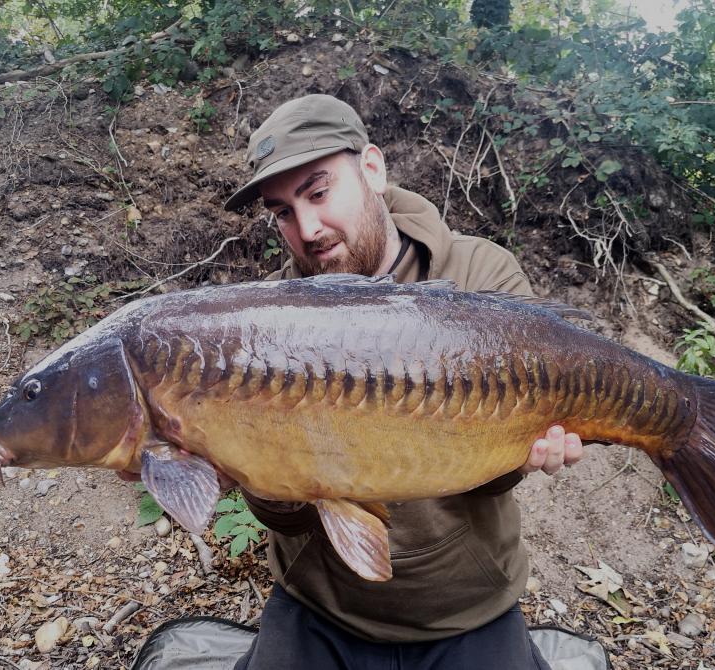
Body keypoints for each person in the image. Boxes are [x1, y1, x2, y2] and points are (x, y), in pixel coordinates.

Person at [220, 94, 585, 669]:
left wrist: (523, 448)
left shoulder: (477, 277)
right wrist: (254, 466)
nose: (307, 227)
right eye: (282, 212)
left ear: (371, 169)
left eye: (318, 193)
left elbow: (490, 483)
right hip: (320, 604)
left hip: (464, 605)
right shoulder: (260, 325)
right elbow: (280, 515)